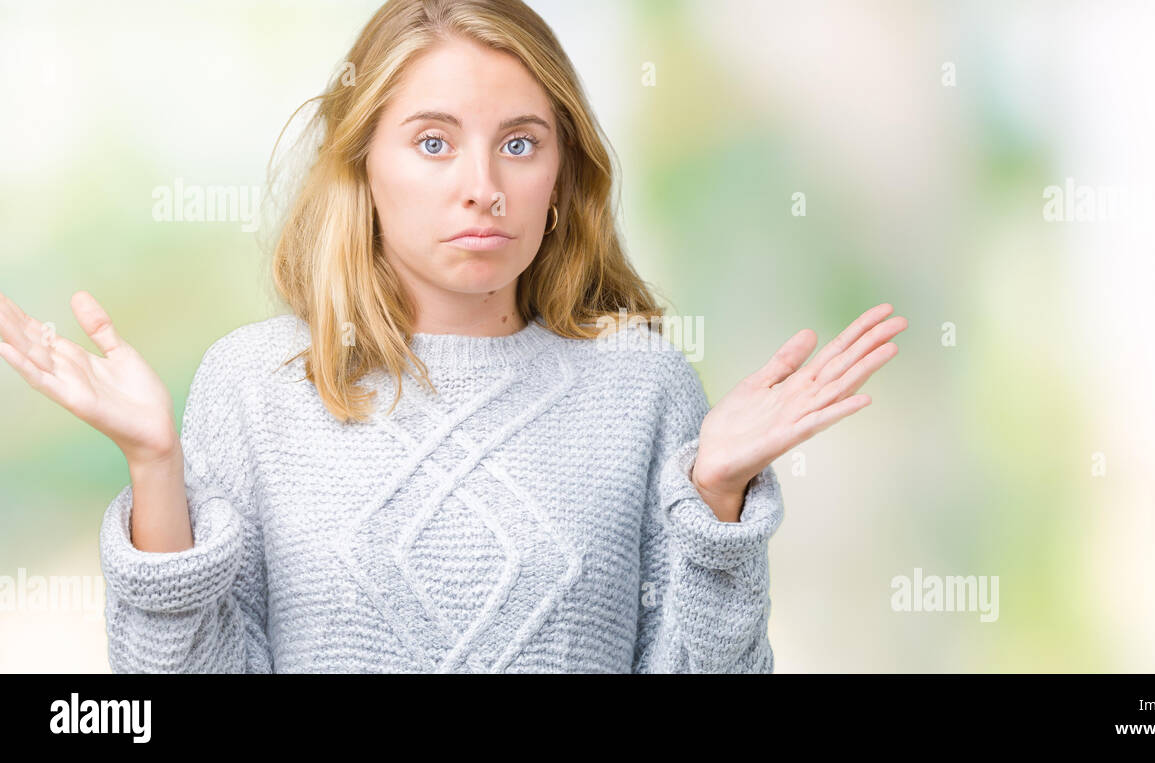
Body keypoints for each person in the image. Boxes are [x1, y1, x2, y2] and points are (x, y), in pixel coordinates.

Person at [0, 0, 906, 673]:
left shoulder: (646, 389)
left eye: (520, 143)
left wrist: (716, 498)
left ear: (561, 171)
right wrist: (155, 465)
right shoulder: (254, 384)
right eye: (434, 143)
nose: (483, 184)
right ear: (363, 167)